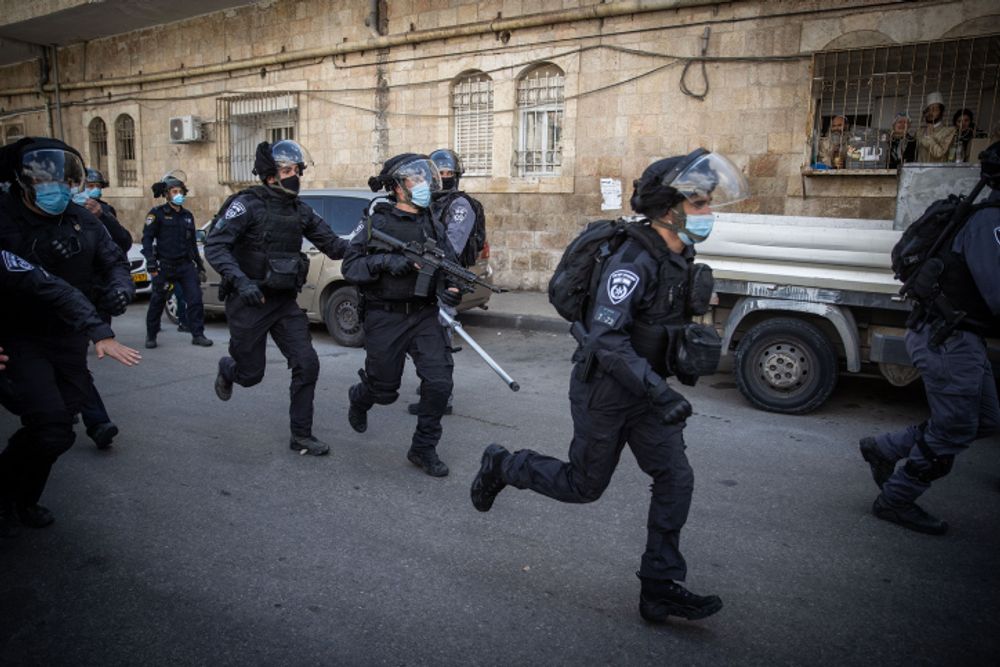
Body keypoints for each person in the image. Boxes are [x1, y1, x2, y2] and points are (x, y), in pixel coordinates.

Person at [469, 148, 750, 622]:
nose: (708, 213)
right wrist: (659, 390)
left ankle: (659, 586)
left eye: (707, 203)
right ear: (669, 210)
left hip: (645, 390)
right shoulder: (632, 260)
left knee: (675, 477)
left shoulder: (678, 255)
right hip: (606, 389)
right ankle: (504, 464)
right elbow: (605, 338)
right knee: (584, 486)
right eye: (699, 204)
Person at [859, 142, 1000, 535]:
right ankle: (896, 500)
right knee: (955, 428)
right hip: (949, 338)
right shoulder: (991, 223)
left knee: (984, 420)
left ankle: (884, 449)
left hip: (958, 337)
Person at [0, 137, 137, 537]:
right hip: (21, 337)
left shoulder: (82, 218)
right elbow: (42, 283)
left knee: (61, 429)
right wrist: (99, 329)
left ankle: (23, 497)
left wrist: (121, 289)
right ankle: (9, 493)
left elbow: (114, 260)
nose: (55, 188)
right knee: (49, 424)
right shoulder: (5, 221)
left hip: (67, 338)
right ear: (22, 181)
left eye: (62, 180)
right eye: (45, 181)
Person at [205, 140, 350, 456]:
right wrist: (240, 281)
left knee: (307, 364)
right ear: (270, 175)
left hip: (283, 303)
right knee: (251, 375)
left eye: (297, 169)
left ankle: (301, 435)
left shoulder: (299, 211)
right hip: (249, 302)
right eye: (287, 170)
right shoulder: (246, 205)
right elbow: (215, 246)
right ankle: (230, 370)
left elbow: (335, 246)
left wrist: (368, 239)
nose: (295, 175)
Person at [344, 153, 463, 477]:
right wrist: (386, 264)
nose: (424, 185)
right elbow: (350, 266)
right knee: (385, 391)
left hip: (424, 315)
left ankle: (423, 448)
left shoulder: (432, 224)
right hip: (385, 315)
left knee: (439, 383)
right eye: (417, 179)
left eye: (426, 179)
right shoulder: (376, 221)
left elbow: (450, 267)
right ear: (398, 187)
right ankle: (361, 396)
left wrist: (452, 288)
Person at [406, 148, 485, 417]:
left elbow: (451, 245)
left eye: (448, 173)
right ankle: (431, 387)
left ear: (456, 176)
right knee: (422, 338)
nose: (444, 178)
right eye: (439, 174)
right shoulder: (428, 203)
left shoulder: (459, 206)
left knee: (440, 338)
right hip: (425, 277)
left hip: (445, 280)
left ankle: (443, 396)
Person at [76, 167, 133, 449]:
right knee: (70, 361)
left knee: (72, 362)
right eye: (87, 184)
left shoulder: (101, 212)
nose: (91, 190)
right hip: (56, 301)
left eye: (95, 185)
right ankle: (96, 421)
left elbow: (120, 246)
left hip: (94, 293)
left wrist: (103, 216)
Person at [142, 169, 212, 349]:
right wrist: (150, 262)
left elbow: (192, 244)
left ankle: (198, 334)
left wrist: (200, 265)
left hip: (185, 265)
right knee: (158, 300)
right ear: (166, 194)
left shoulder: (187, 216)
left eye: (181, 192)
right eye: (174, 192)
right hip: (165, 266)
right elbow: (147, 239)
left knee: (195, 299)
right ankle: (151, 334)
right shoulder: (156, 214)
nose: (179, 195)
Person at [916, 92, 956, 163]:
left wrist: (928, 136)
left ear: (941, 112)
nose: (930, 113)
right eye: (928, 110)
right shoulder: (919, 131)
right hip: (919, 172)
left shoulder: (950, 131)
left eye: (934, 110)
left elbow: (939, 153)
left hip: (938, 172)